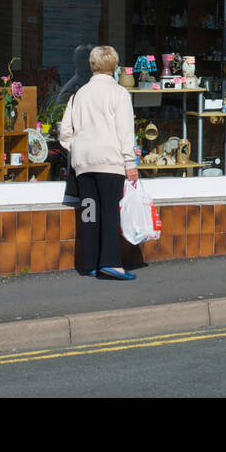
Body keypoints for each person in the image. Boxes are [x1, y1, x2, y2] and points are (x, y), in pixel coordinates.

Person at [57, 45, 139, 281]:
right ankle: (111, 263)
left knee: (89, 212)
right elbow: (125, 131)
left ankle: (90, 262)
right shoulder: (119, 93)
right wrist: (129, 162)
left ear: (92, 65)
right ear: (114, 66)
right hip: (109, 161)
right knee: (110, 210)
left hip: (83, 162)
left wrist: (77, 147)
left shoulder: (79, 94)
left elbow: (64, 132)